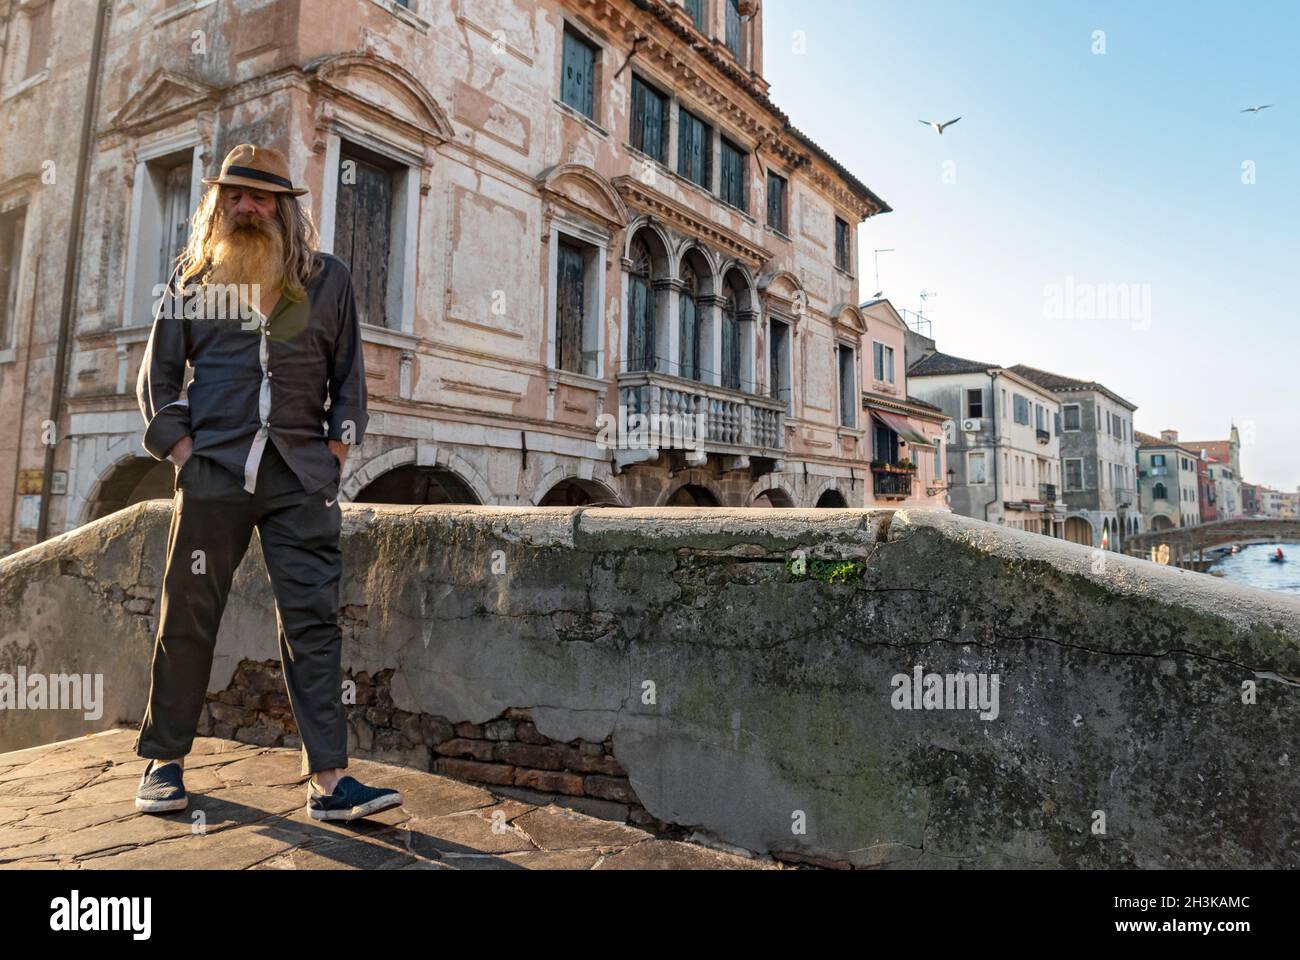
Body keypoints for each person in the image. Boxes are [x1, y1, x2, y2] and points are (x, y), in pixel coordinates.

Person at [132, 143, 402, 822]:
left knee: (313, 625)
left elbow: (349, 380)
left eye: (260, 198)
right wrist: (185, 453)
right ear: (217, 204)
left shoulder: (328, 280)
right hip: (215, 474)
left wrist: (336, 456)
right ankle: (164, 765)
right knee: (187, 618)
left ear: (285, 209)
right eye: (235, 196)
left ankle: (330, 783)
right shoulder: (192, 278)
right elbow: (157, 380)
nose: (247, 208)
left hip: (299, 477)